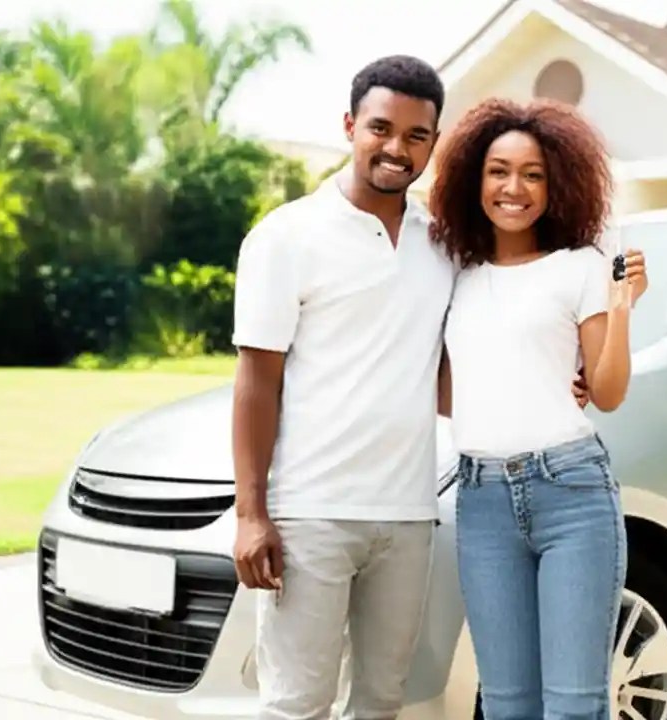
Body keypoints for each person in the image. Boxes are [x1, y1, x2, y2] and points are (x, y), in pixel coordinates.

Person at [229, 55, 451, 720]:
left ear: (433, 143)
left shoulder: (442, 243)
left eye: (416, 136)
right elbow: (256, 384)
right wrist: (250, 513)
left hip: (408, 514)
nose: (397, 148)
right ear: (350, 126)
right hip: (311, 514)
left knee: (381, 703)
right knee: (297, 705)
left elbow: (450, 373)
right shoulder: (286, 236)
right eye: (381, 128)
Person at [429, 97, 648, 720]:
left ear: (558, 186)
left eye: (534, 175)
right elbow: (448, 391)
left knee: (574, 706)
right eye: (498, 171)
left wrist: (622, 307)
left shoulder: (579, 268)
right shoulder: (457, 274)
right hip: (481, 501)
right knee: (506, 706)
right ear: (474, 179)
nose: (514, 188)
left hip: (570, 493)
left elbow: (608, 392)